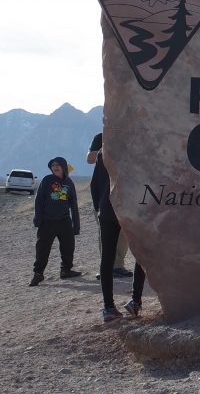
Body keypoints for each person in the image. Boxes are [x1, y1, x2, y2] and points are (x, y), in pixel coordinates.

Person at [89, 138, 145, 323]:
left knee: (107, 258)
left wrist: (99, 208)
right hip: (132, 209)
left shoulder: (103, 153)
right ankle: (135, 301)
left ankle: (108, 307)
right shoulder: (137, 149)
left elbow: (94, 185)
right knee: (140, 255)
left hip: (108, 210)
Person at [30, 157, 82, 285]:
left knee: (68, 247)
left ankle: (66, 270)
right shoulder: (47, 180)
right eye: (53, 165)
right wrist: (38, 218)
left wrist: (76, 224)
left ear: (64, 166)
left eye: (58, 165)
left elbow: (73, 204)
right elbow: (38, 200)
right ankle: (38, 273)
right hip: (47, 221)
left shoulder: (69, 183)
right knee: (42, 248)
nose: (55, 167)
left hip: (64, 221)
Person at [87, 133, 130, 278]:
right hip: (104, 191)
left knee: (123, 232)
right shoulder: (100, 137)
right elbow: (89, 159)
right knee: (104, 231)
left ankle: (118, 266)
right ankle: (106, 266)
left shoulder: (129, 135)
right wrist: (107, 149)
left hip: (124, 192)